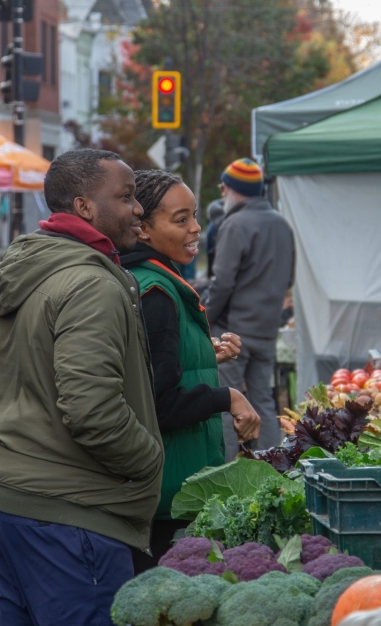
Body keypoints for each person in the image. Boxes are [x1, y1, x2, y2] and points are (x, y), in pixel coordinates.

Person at [0, 149, 164, 625]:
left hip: (2, 500)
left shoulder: (32, 267)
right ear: (83, 207)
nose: (137, 208)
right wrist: (150, 459)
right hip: (69, 514)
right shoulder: (89, 283)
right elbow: (92, 409)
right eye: (125, 196)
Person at [121, 170, 262, 570]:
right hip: (167, 494)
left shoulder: (154, 281)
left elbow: (157, 365)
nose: (196, 228)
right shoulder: (155, 291)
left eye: (194, 216)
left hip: (170, 486)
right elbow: (158, 401)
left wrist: (203, 354)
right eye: (180, 220)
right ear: (144, 229)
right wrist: (228, 397)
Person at [205, 158, 295, 457]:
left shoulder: (236, 224)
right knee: (263, 402)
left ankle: (227, 471)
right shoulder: (282, 224)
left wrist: (205, 319)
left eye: (222, 187)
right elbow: (290, 277)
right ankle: (275, 466)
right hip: (267, 330)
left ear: (231, 189)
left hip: (234, 332)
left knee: (227, 405)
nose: (221, 193)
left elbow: (222, 283)